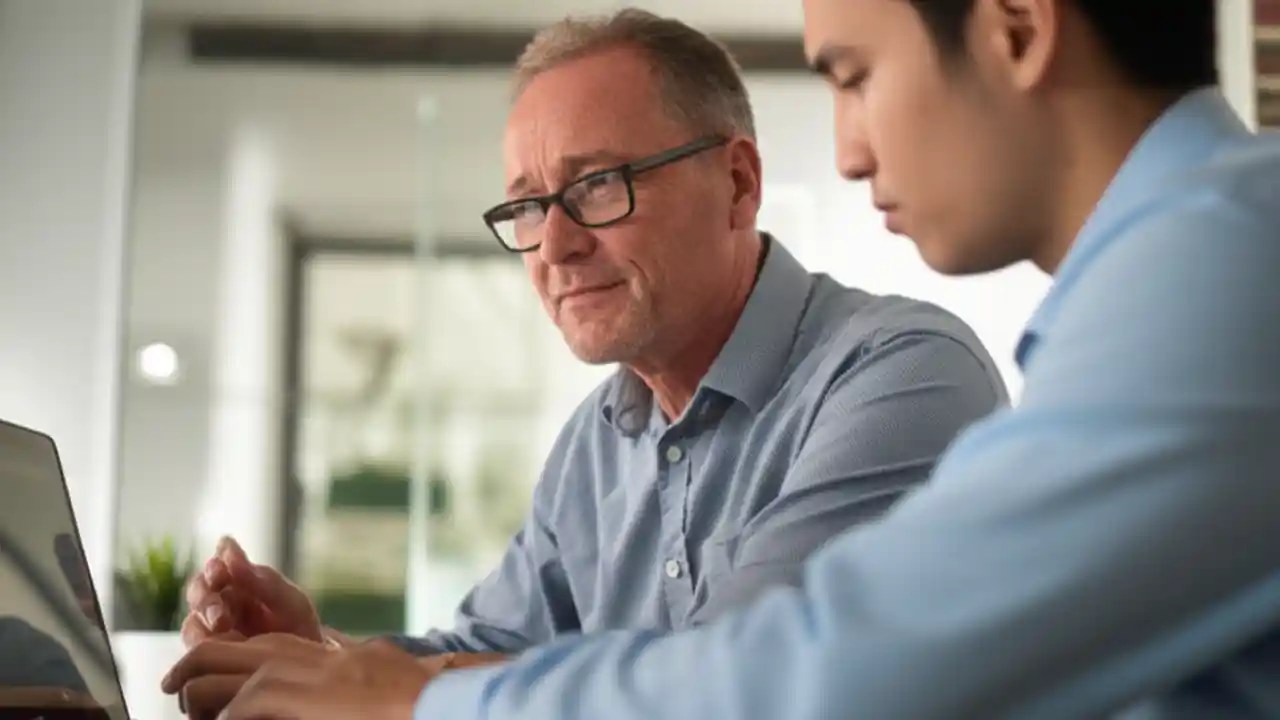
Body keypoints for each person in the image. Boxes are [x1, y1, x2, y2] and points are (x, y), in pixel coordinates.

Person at [174, 0, 1280, 717]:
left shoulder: (1222, 266)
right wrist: (316, 654)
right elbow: (493, 641)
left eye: (851, 75)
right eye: (524, 206)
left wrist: (405, 702)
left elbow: (818, 675)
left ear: (1014, 26)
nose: (846, 151)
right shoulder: (595, 440)